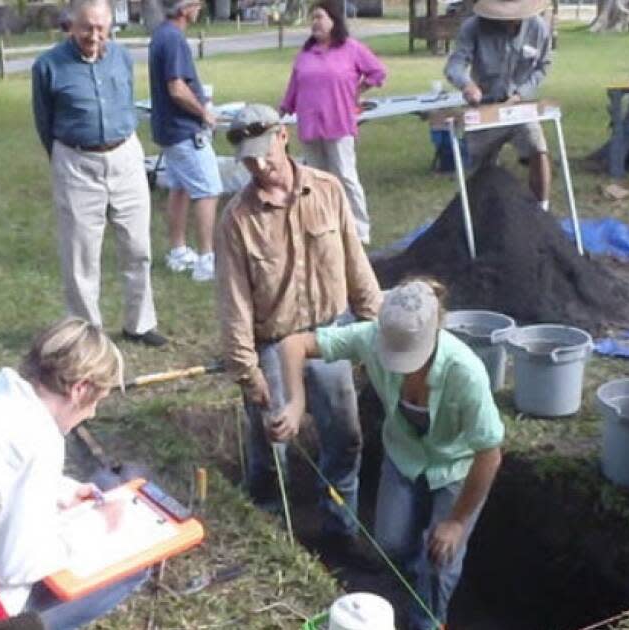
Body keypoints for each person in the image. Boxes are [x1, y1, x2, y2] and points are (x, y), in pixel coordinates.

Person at [273, 278, 504, 630]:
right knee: (391, 543)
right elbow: (293, 344)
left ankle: (427, 617)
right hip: (404, 456)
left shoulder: (465, 373)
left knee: (441, 560)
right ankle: (411, 581)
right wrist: (295, 402)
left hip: (455, 468)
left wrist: (456, 523)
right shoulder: (371, 337)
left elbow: (489, 453)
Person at [215, 103, 383, 566]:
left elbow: (356, 265)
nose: (258, 166)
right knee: (272, 442)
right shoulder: (236, 219)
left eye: (263, 154)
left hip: (329, 333)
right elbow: (234, 305)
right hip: (272, 341)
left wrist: (375, 332)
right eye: (247, 160)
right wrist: (249, 374)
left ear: (283, 136)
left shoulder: (328, 190)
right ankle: (270, 534)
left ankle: (339, 535)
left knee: (346, 439)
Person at [0, 319, 147, 628]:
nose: (93, 413)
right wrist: (98, 525)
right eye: (96, 402)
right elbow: (16, 567)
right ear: (80, 389)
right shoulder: (37, 437)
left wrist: (60, 490)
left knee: (101, 487)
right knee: (135, 565)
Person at [32, 0, 167, 347]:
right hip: (76, 162)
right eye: (86, 28)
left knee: (138, 246)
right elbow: (44, 123)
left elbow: (128, 101)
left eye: (101, 27)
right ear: (71, 26)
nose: (94, 35)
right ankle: (87, 332)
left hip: (125, 157)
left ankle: (139, 323)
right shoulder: (48, 66)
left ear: (111, 26)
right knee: (81, 254)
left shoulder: (122, 58)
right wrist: (69, 156)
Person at [280, 0, 387, 245]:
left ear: (333, 21)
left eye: (319, 17)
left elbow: (377, 72)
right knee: (315, 177)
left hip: (338, 122)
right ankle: (324, 224)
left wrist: (357, 91)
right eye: (313, 18)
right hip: (310, 123)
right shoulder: (306, 53)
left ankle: (360, 230)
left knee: (344, 175)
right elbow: (295, 84)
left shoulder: (351, 48)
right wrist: (285, 107)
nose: (315, 23)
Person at [444, 0, 553, 209]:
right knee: (480, 171)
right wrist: (467, 85)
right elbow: (455, 65)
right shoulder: (473, 27)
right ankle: (480, 216)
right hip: (485, 109)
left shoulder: (538, 28)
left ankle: (542, 210)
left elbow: (543, 66)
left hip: (518, 107)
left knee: (538, 149)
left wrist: (522, 92)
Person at [149, 0, 222, 282]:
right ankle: (206, 261)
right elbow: (177, 88)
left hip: (168, 130)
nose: (200, 7)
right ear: (183, 9)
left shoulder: (161, 35)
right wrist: (204, 112)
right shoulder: (173, 39)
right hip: (184, 130)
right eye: (195, 3)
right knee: (208, 190)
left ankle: (178, 252)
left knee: (179, 188)